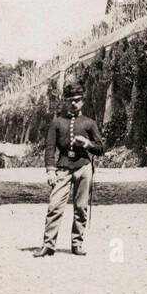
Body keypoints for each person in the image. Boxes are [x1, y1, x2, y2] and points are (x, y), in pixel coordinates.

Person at [39, 82, 104, 257]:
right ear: (65, 102)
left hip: (83, 168)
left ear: (82, 101)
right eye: (70, 100)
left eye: (77, 100)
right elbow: (50, 148)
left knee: (81, 207)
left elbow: (100, 148)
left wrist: (88, 143)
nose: (73, 104)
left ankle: (77, 244)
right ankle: (48, 245)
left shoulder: (89, 123)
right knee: (54, 206)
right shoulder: (57, 123)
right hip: (62, 169)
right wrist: (50, 170)